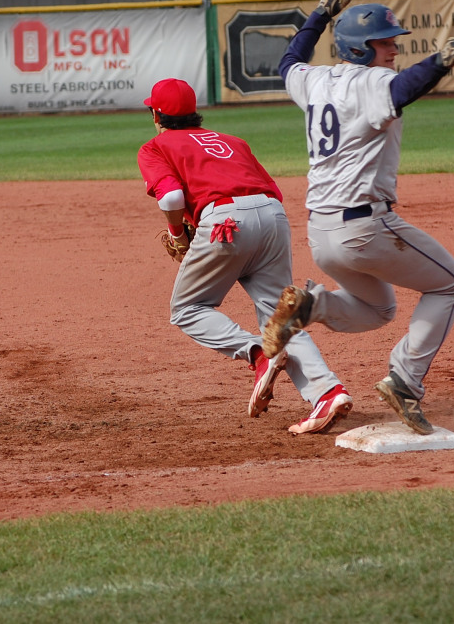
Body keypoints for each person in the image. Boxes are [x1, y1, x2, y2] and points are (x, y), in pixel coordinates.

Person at [263, 0, 454, 435]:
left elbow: (288, 60)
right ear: (362, 49)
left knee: (379, 309)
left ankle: (312, 305)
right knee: (450, 286)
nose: (394, 49)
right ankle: (405, 381)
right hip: (364, 227)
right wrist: (440, 62)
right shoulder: (374, 83)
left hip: (321, 232)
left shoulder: (313, 81)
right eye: (385, 42)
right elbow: (403, 90)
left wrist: (319, 14)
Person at [137, 78, 353, 435]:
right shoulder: (232, 141)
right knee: (279, 315)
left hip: (226, 223)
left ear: (157, 114)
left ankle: (257, 354)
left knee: (187, 309)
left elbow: (172, 198)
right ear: (194, 112)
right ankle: (328, 393)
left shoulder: (155, 146)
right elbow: (275, 191)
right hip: (273, 218)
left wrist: (179, 234)